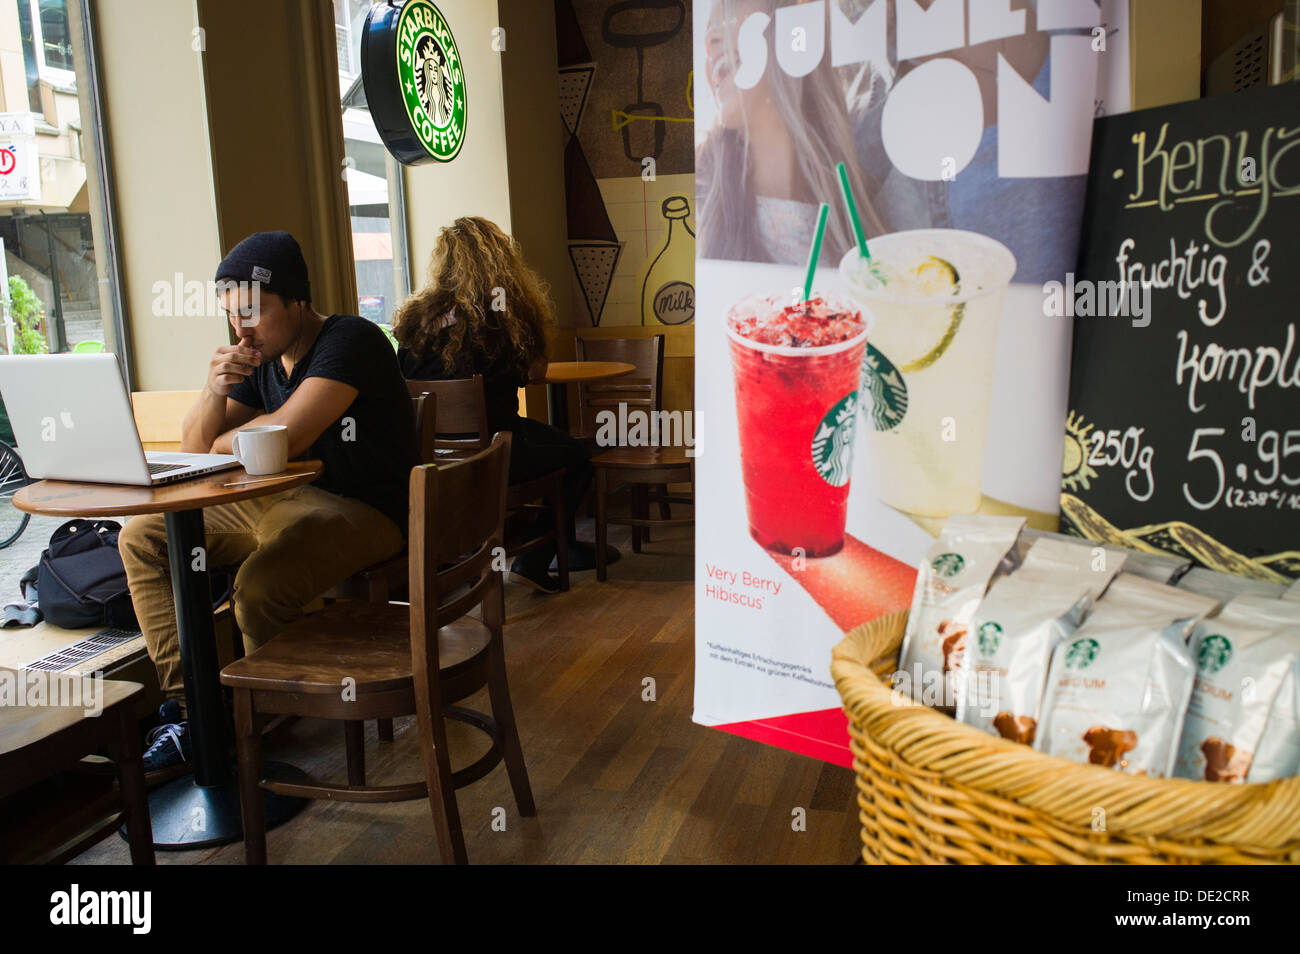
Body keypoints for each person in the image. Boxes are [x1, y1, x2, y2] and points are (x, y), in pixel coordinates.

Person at [119, 231, 417, 774]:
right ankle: (198, 715)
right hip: (280, 500)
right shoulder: (260, 360)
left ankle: (270, 718)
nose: (241, 328)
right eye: (232, 315)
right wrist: (212, 391)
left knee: (259, 588)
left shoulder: (350, 339)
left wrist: (232, 434)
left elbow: (285, 436)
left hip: (367, 509)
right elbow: (194, 453)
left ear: (298, 301)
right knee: (142, 536)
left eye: (253, 311)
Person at [393, 216, 592, 594]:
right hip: (497, 455)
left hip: (432, 460)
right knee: (576, 458)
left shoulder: (414, 322)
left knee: (550, 447)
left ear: (443, 265)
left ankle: (465, 561)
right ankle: (532, 562)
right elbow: (534, 375)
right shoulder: (504, 319)